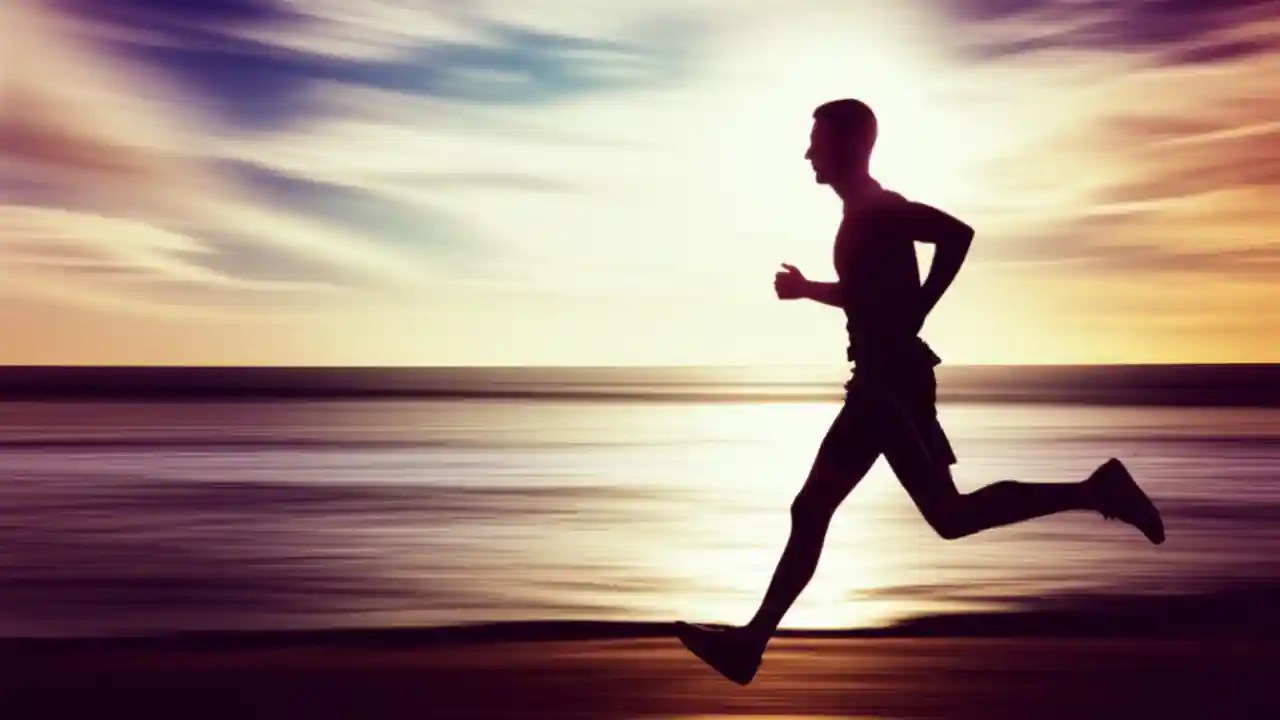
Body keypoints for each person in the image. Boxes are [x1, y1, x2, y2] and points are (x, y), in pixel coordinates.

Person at [676, 98, 1165, 686]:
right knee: (940, 514)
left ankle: (750, 647)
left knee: (829, 509)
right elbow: (866, 294)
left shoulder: (880, 210)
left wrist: (919, 308)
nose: (808, 151)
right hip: (886, 381)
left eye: (818, 140)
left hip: (888, 386)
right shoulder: (861, 214)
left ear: (850, 146)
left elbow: (957, 235)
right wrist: (812, 291)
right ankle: (1096, 489)